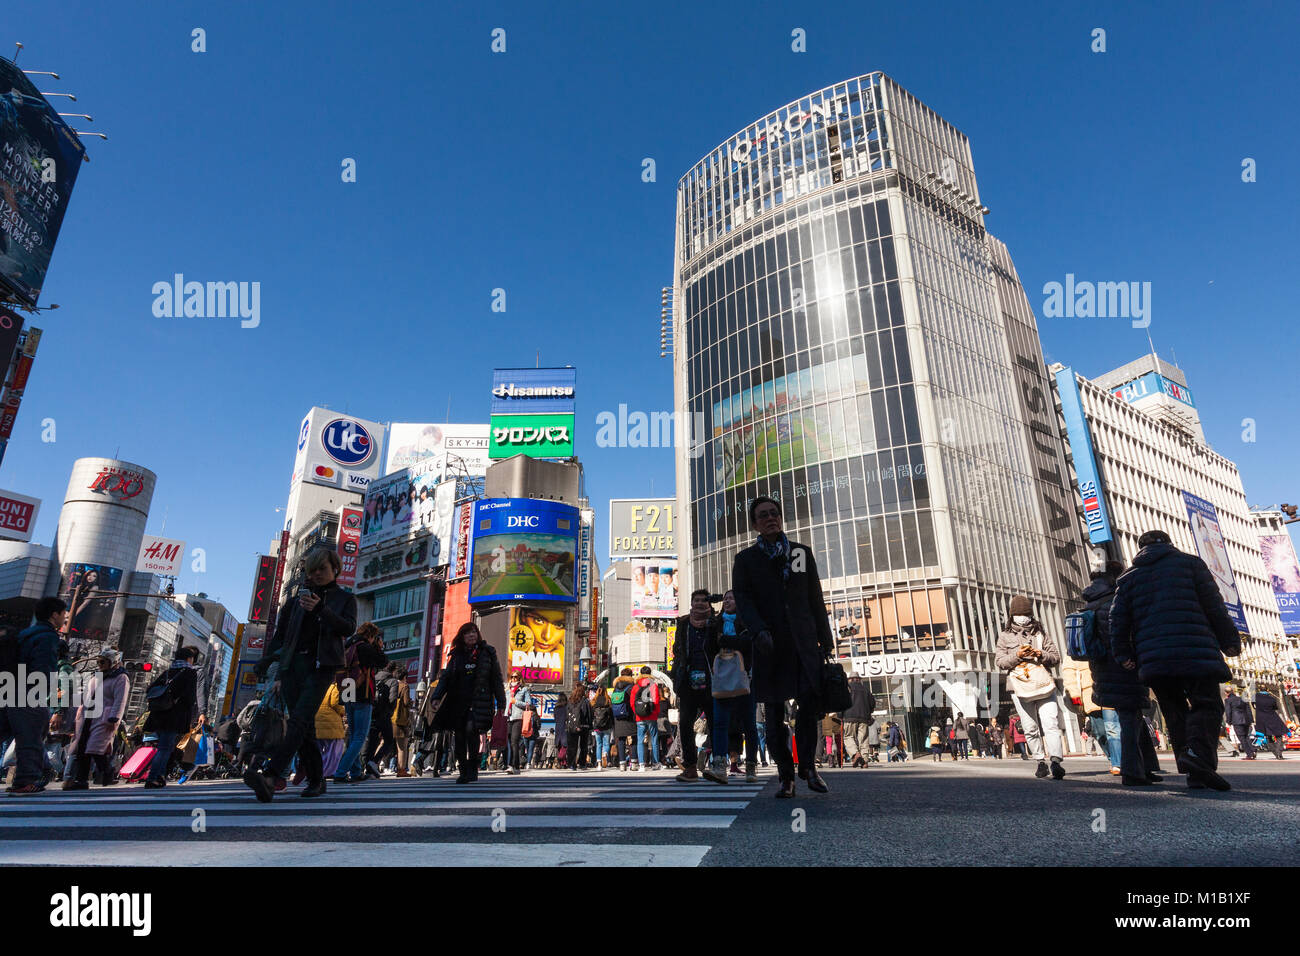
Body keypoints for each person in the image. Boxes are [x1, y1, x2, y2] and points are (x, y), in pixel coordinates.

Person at [1110, 530, 1241, 792]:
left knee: (1174, 710)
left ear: (1139, 549)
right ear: (1169, 544)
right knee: (1206, 704)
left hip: (1154, 658)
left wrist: (1123, 654)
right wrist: (1229, 640)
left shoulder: (1128, 578)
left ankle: (1194, 769)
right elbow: (1214, 605)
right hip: (1195, 649)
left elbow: (1118, 621)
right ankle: (1196, 757)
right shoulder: (1191, 564)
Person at [732, 496, 835, 798]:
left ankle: (809, 767)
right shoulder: (746, 560)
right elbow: (744, 600)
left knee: (808, 710)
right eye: (763, 515)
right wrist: (758, 630)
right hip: (769, 646)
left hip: (803, 643)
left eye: (774, 513)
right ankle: (785, 776)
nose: (770, 518)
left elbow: (814, 597)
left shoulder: (800, 554)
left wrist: (826, 640)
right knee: (774, 714)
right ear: (754, 524)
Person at [246, 547, 358, 801]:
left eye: (323, 569)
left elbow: (348, 628)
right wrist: (268, 661)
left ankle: (272, 775)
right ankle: (317, 780)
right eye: (313, 570)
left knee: (298, 720)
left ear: (335, 570)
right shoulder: (296, 601)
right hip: (291, 667)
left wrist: (321, 611)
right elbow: (282, 636)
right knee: (304, 727)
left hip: (322, 666)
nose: (317, 574)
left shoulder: (344, 598)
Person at [1083, 561, 1160, 785]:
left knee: (1133, 716)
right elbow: (1124, 635)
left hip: (1102, 669)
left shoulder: (1092, 603)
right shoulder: (1114, 602)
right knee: (1129, 718)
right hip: (1124, 666)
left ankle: (1145, 767)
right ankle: (1133, 771)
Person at [996, 595, 1065, 780]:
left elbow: (1056, 657)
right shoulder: (1005, 635)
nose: (1022, 617)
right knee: (1030, 726)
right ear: (1012, 616)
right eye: (1018, 614)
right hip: (1019, 686)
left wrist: (1039, 653)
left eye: (1025, 614)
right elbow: (1000, 661)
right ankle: (1040, 761)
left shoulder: (1040, 633)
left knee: (1051, 722)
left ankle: (1056, 761)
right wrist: (1018, 655)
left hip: (1043, 683)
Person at [1, 598, 66, 795]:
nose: (65, 617)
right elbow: (43, 667)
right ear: (54, 614)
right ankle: (25, 781)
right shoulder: (47, 637)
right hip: (28, 691)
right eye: (63, 613)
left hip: (9, 688)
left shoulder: (24, 633)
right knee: (31, 736)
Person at [427, 622, 505, 784]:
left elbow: (496, 678)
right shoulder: (456, 655)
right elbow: (446, 678)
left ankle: (473, 768)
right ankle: (463, 770)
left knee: (472, 732)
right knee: (460, 736)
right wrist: (436, 696)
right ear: (462, 637)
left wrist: (501, 702)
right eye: (467, 633)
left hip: (479, 701)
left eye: (474, 632)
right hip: (458, 701)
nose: (471, 635)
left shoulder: (487, 652)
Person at [704, 590, 759, 784]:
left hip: (744, 677)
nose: (727, 601)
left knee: (749, 724)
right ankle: (720, 766)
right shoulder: (716, 622)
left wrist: (726, 641)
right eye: (725, 598)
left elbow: (750, 643)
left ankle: (751, 765)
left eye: (732, 598)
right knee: (720, 723)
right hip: (722, 677)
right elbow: (709, 647)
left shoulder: (747, 620)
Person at [64, 647, 130, 790]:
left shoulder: (121, 677)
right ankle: (81, 780)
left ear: (113, 661)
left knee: (94, 748)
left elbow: (121, 699)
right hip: (87, 716)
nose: (100, 664)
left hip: (105, 717)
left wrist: (115, 717)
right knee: (82, 749)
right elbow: (86, 696)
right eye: (99, 662)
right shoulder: (96, 676)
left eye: (103, 662)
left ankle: (107, 771)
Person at [669, 592, 718, 781]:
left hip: (711, 680)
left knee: (715, 723)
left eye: (703, 600)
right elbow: (677, 649)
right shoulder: (683, 623)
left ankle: (715, 763)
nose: (699, 603)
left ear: (708, 603)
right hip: (688, 681)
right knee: (685, 724)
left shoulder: (714, 623)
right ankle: (690, 767)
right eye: (696, 600)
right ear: (691, 603)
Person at [333, 622, 388, 784]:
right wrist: (378, 647)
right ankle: (341, 772)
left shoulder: (348, 645)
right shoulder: (365, 647)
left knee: (353, 735)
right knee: (359, 736)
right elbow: (382, 662)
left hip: (348, 692)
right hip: (363, 692)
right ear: (371, 635)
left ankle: (356, 771)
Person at [142, 646, 200, 789]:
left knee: (164, 747)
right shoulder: (190, 673)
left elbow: (150, 690)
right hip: (175, 716)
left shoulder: (168, 672)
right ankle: (152, 777)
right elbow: (190, 697)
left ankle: (160, 777)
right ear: (189, 659)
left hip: (159, 714)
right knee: (164, 748)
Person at [364, 662, 402, 778]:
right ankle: (374, 762)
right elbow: (392, 700)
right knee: (389, 740)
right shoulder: (393, 681)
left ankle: (368, 767)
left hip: (372, 713)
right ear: (393, 670)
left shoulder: (374, 678)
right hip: (384, 715)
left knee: (372, 742)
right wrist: (389, 712)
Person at [632, 666, 663, 771]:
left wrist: (637, 712)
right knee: (654, 739)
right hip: (652, 716)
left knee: (640, 740)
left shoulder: (636, 686)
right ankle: (655, 763)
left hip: (640, 717)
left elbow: (632, 702)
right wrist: (655, 712)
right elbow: (656, 701)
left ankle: (641, 764)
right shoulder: (653, 685)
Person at [315, 677, 347, 779]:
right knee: (334, 749)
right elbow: (335, 703)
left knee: (318, 749)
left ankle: (315, 770)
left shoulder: (317, 687)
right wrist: (343, 711)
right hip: (330, 723)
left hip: (317, 722)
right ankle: (328, 771)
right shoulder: (334, 688)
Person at [841, 674, 875, 769]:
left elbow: (841, 702)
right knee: (863, 739)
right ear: (859, 679)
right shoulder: (866, 689)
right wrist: (869, 712)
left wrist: (840, 715)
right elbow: (872, 703)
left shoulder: (846, 688)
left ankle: (855, 754)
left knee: (848, 737)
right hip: (863, 717)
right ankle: (864, 761)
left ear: (850, 679)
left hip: (849, 716)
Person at [610, 667, 639, 771]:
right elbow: (635, 701)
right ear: (630, 676)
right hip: (630, 716)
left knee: (621, 740)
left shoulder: (616, 688)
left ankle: (622, 764)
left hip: (618, 717)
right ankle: (634, 762)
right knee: (634, 738)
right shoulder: (632, 687)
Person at [505, 676, 531, 775]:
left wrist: (516, 702)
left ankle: (514, 765)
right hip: (508, 717)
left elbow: (528, 703)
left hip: (518, 717)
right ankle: (512, 765)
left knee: (514, 741)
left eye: (516, 677)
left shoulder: (524, 689)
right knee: (509, 742)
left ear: (519, 679)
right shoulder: (507, 690)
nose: (513, 679)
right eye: (512, 677)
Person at [1253, 691, 1289, 759]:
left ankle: (1276, 753)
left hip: (1261, 719)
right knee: (1279, 735)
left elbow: (1253, 705)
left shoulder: (1255, 697)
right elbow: (1275, 708)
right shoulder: (1272, 699)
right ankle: (1279, 752)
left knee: (1268, 737)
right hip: (1272, 718)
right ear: (1267, 690)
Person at [565, 685, 592, 770]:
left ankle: (572, 764)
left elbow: (566, 713)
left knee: (572, 746)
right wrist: (590, 724)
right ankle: (582, 763)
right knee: (583, 746)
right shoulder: (585, 701)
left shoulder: (570, 701)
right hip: (584, 726)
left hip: (572, 726)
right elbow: (589, 714)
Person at [390, 671, 412, 777]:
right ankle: (401, 769)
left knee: (382, 743)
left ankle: (373, 765)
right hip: (400, 719)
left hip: (389, 717)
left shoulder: (391, 684)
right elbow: (406, 702)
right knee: (402, 746)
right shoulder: (404, 686)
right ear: (404, 677)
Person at [1224, 687, 1254, 759]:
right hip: (1246, 719)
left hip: (1236, 720)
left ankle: (1249, 754)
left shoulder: (1228, 700)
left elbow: (1228, 712)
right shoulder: (1242, 698)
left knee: (1241, 737)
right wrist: (1251, 720)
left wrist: (1228, 721)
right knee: (1246, 736)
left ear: (1226, 693)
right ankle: (1253, 751)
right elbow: (1248, 709)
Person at [591, 687, 613, 770]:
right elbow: (611, 714)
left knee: (598, 745)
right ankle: (605, 754)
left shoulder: (594, 701)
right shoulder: (608, 701)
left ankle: (599, 763)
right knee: (606, 744)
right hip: (606, 726)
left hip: (597, 727)